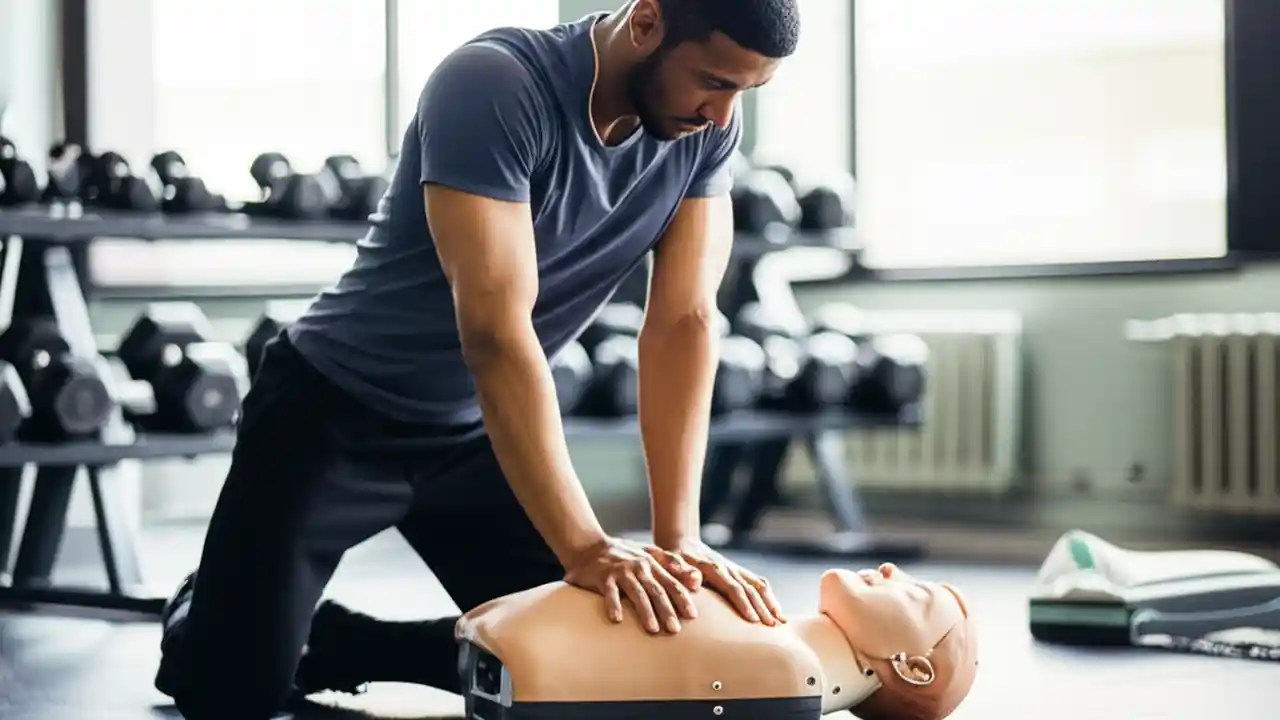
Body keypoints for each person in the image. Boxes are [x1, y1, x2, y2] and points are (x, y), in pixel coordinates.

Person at [152, 1, 801, 718]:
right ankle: (210, 605)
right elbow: (495, 332)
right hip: (333, 412)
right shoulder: (493, 84)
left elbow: (684, 319)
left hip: (474, 433)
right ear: (646, 22)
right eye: (713, 80)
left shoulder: (706, 129)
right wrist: (585, 544)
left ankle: (341, 643)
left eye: (745, 91)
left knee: (610, 649)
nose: (721, 115)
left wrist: (680, 538)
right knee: (228, 696)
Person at [453, 563, 979, 719]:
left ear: (912, 667)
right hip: (510, 630)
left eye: (914, 597)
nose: (891, 569)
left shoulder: (788, 667)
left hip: (522, 653)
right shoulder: (771, 629)